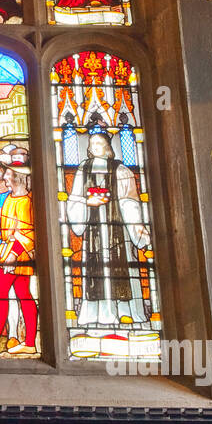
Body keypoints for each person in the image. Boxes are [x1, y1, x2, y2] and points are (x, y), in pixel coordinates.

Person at [65, 130, 151, 330]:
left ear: (107, 147)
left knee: (120, 264)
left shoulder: (120, 170)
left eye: (99, 143)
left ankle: (125, 311)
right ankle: (97, 313)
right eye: (92, 143)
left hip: (117, 227)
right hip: (93, 229)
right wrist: (88, 202)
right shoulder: (83, 169)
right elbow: (74, 199)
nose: (95, 147)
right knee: (95, 267)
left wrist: (137, 227)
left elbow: (130, 200)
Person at [0, 154, 38, 356]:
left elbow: (28, 233)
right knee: (23, 295)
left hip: (16, 255)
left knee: (0, 294)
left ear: (17, 178)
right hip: (10, 251)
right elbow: (9, 228)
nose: (5, 177)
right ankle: (29, 343)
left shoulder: (26, 201)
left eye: (8, 174)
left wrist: (13, 255)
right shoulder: (11, 199)